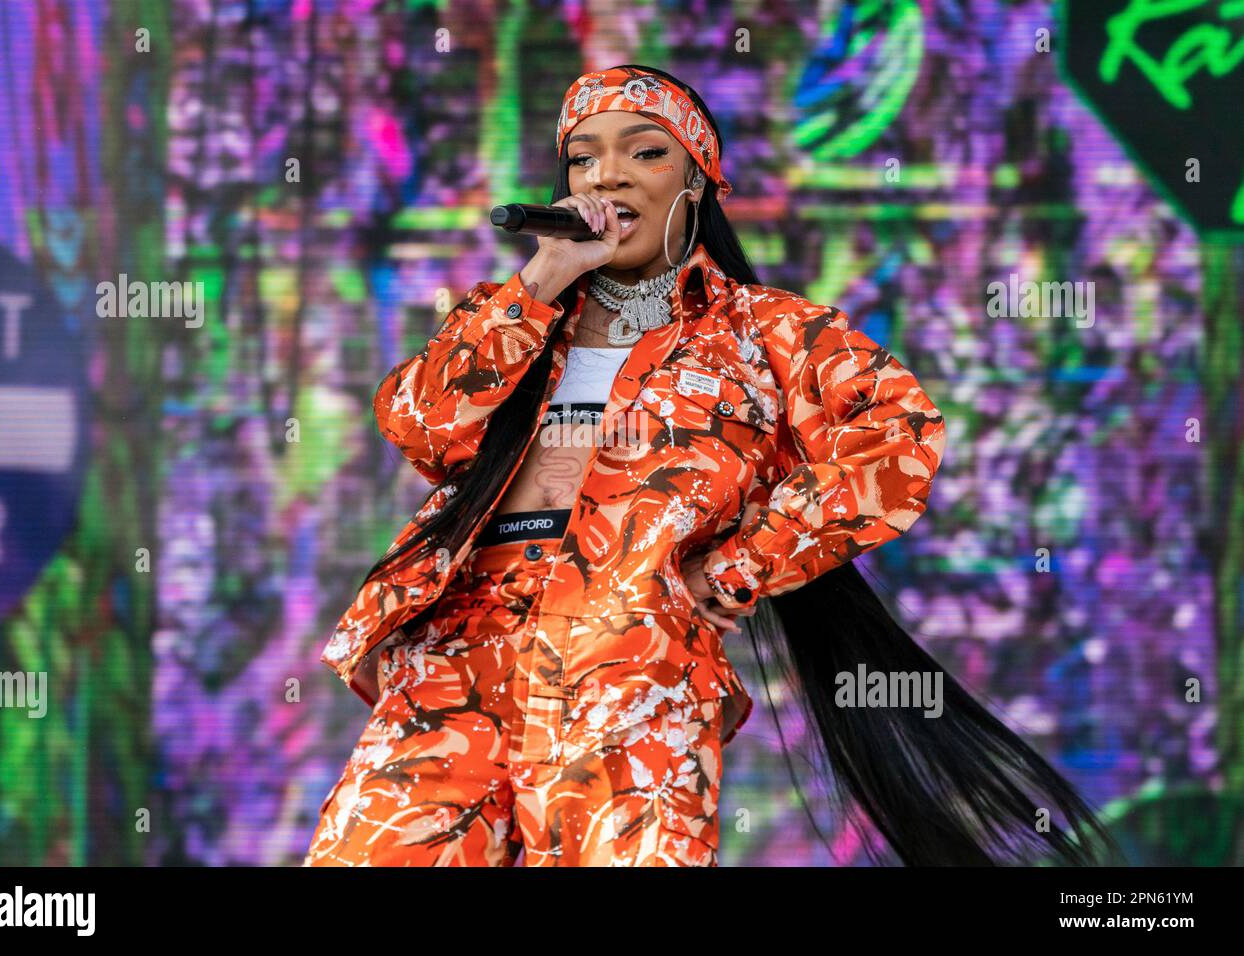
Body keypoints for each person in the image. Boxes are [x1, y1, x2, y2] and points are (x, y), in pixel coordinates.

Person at [303, 65, 1122, 867]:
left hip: (629, 662)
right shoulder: (522, 313)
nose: (605, 173)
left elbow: (899, 437)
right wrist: (543, 280)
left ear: (698, 181)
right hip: (453, 656)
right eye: (583, 156)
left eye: (644, 151)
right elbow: (422, 426)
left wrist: (737, 568)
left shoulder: (768, 333)